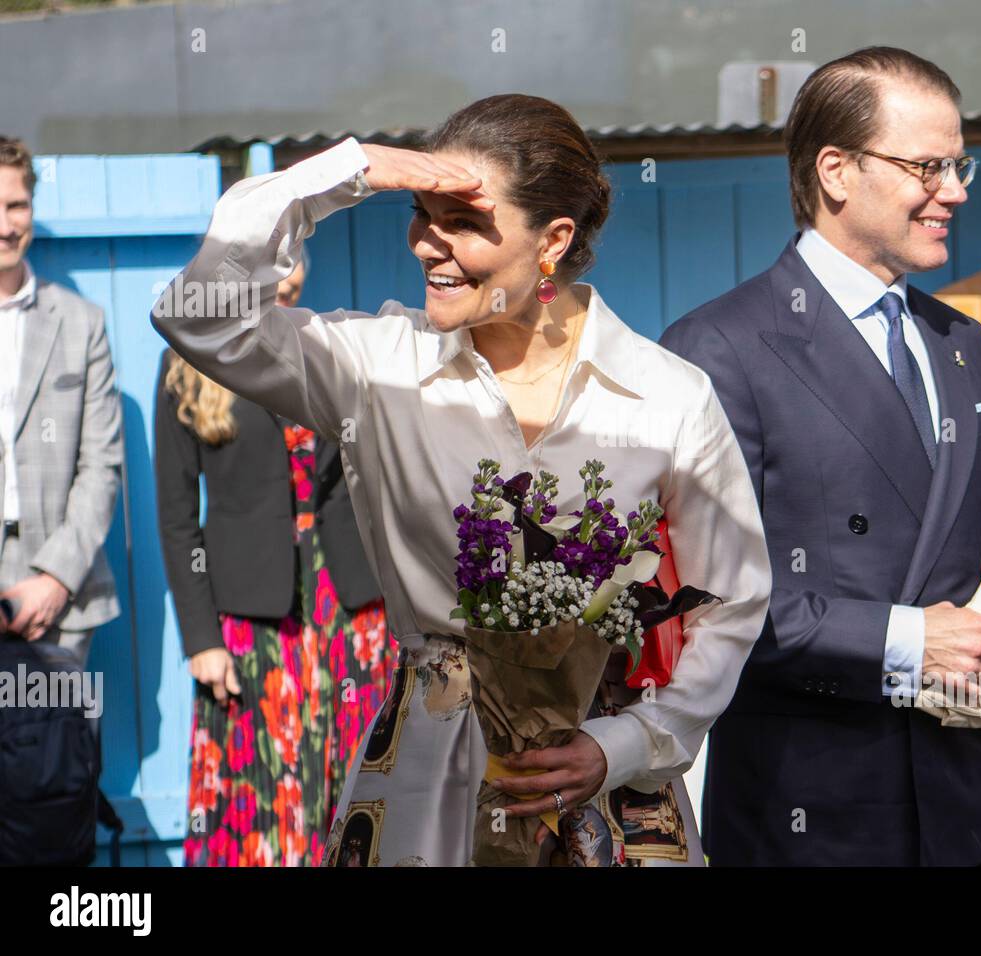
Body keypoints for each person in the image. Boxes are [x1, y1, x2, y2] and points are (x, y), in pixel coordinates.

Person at [150, 94, 771, 866]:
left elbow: (733, 598)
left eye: (465, 222)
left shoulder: (671, 395)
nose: (425, 245)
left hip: (610, 791)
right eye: (419, 213)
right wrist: (345, 173)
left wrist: (627, 744)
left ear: (554, 241)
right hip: (427, 782)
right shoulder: (374, 367)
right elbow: (198, 317)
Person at [660, 47, 981, 866]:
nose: (954, 191)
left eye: (960, 165)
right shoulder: (718, 349)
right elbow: (707, 606)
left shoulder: (961, 343)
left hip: (969, 802)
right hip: (813, 809)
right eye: (928, 166)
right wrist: (910, 641)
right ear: (837, 171)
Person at [154, 253, 394, 867]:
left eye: (294, 260)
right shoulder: (184, 362)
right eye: (269, 262)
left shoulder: (333, 345)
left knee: (353, 775)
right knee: (268, 781)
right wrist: (200, 639)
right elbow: (177, 518)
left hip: (352, 607)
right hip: (251, 614)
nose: (286, 277)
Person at [0, 136, 122, 668]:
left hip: (60, 591)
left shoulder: (82, 323)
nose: (5, 225)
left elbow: (102, 466)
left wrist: (54, 579)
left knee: (54, 751)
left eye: (16, 206)